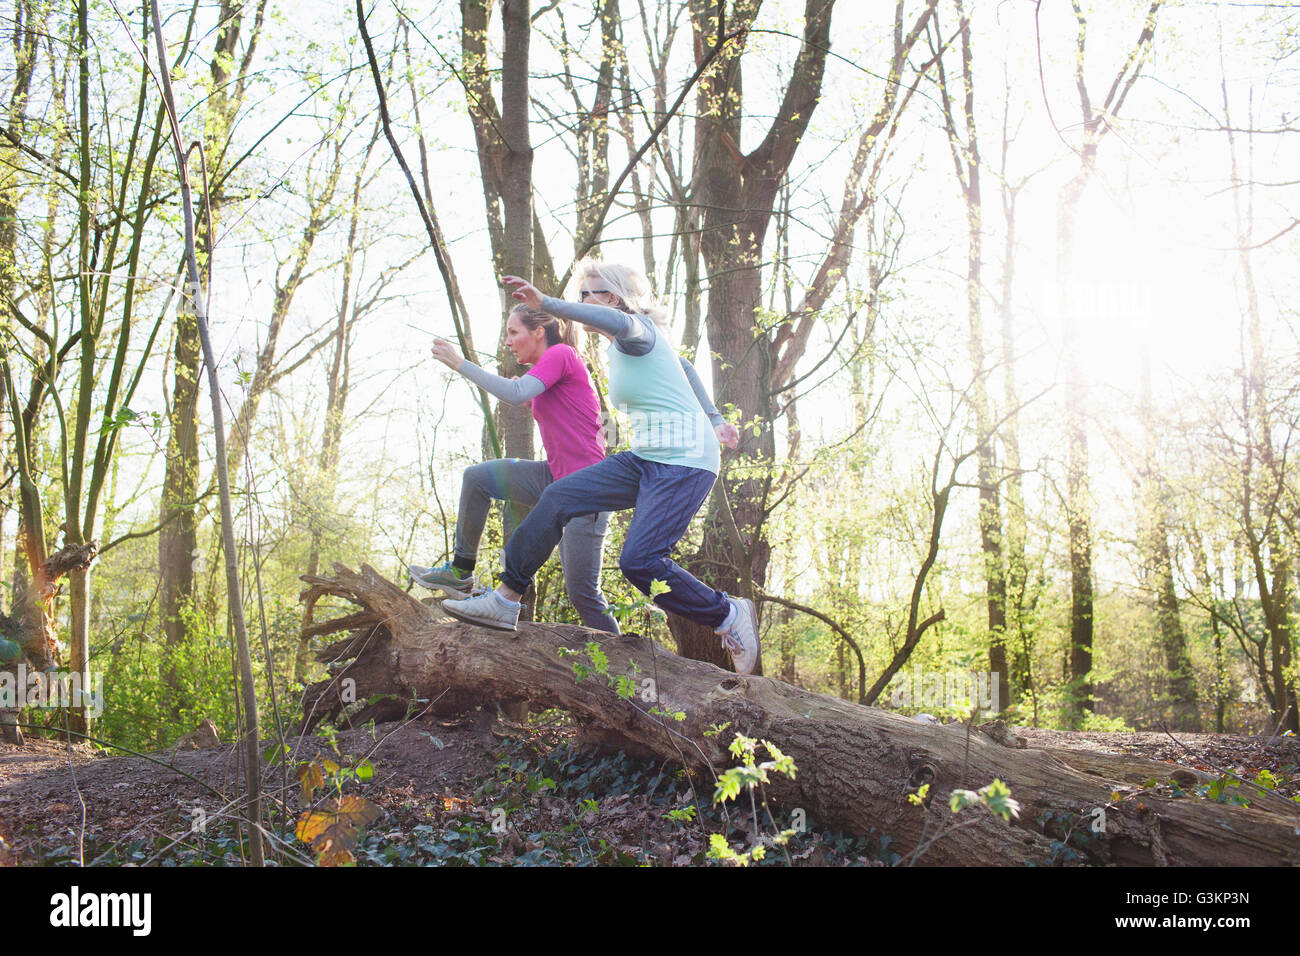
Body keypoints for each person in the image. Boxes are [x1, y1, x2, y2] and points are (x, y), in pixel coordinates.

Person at [441, 261, 760, 675]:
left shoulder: (634, 329)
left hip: (684, 463)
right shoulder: (625, 346)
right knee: (559, 495)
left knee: (640, 562)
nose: (581, 303)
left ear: (612, 297)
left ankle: (727, 614)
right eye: (579, 296)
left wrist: (548, 303)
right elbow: (685, 367)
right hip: (646, 459)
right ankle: (505, 600)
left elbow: (615, 321)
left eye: (588, 294)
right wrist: (716, 417)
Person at [413, 300, 731, 636]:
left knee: (583, 594)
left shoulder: (562, 354)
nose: (507, 342)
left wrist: (460, 363)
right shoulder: (547, 371)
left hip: (587, 486)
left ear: (538, 332)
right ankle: (461, 571)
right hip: (552, 476)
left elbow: (517, 392)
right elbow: (524, 393)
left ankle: (621, 663)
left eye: (513, 332)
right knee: (476, 478)